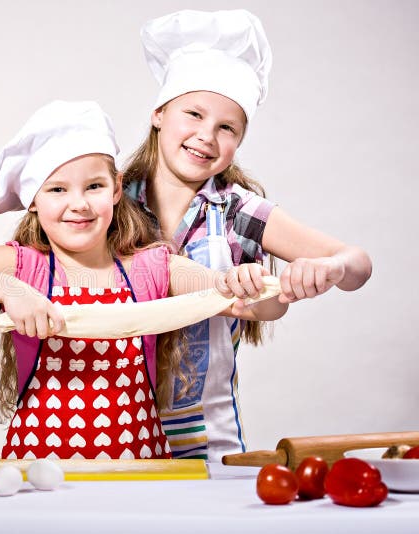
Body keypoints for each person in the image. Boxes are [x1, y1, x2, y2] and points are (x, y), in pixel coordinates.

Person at [0, 100, 286, 460]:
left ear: (116, 188)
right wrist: (4, 291)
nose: (78, 204)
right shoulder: (23, 267)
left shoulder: (151, 268)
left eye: (94, 186)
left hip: (142, 472)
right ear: (34, 199)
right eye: (58, 189)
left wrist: (253, 282)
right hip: (39, 475)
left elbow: (252, 306)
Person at [123, 10, 373, 462]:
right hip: (110, 430)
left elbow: (357, 265)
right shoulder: (109, 203)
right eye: (193, 114)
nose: (206, 136)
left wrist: (330, 267)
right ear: (159, 113)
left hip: (207, 441)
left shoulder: (241, 212)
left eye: (227, 127)